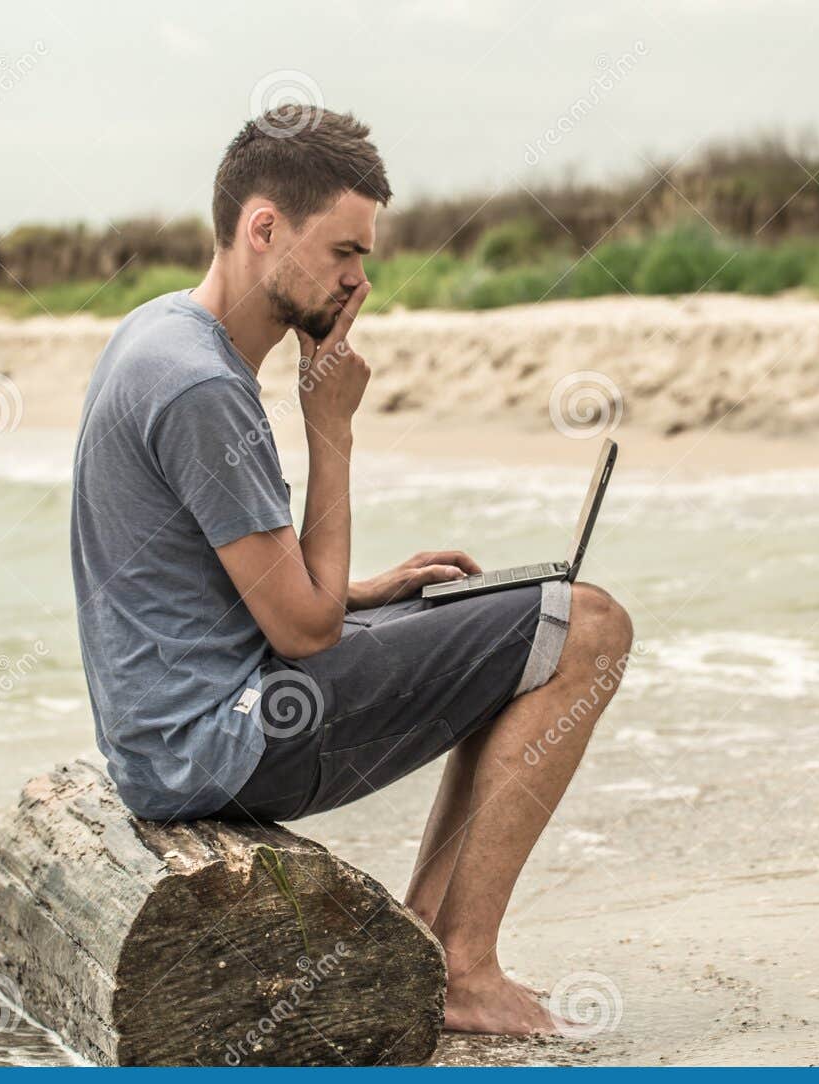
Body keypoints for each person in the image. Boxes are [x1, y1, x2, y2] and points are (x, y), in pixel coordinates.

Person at [70, 105, 633, 1035]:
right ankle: (463, 968)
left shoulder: (154, 335)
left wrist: (364, 589)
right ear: (263, 229)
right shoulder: (205, 385)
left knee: (508, 622)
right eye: (342, 250)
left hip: (166, 735)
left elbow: (193, 582)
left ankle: (426, 941)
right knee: (590, 625)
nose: (358, 278)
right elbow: (303, 631)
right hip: (224, 741)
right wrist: (330, 430)